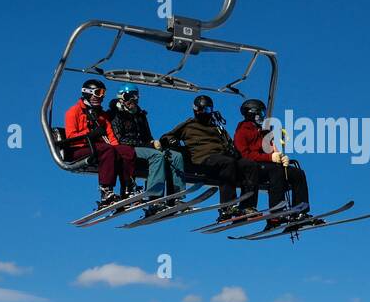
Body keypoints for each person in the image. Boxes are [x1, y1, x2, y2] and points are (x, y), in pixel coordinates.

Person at [162, 95, 260, 221]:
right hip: (204, 159)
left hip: (222, 157)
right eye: (202, 110)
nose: (204, 113)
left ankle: (247, 206)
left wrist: (233, 151)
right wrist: (172, 141)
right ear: (195, 110)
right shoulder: (189, 125)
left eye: (208, 110)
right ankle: (227, 207)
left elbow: (228, 142)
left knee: (250, 165)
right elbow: (167, 136)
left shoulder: (216, 127)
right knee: (227, 163)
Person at [108, 85, 185, 213]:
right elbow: (120, 139)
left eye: (136, 97)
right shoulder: (115, 114)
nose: (133, 100)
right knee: (157, 156)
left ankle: (176, 197)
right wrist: (148, 145)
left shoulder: (140, 115)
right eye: (130, 97)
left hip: (144, 146)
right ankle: (155, 199)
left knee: (176, 156)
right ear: (122, 98)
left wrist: (156, 143)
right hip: (128, 148)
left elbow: (147, 136)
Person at [233, 98, 313, 222]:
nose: (262, 117)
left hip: (266, 164)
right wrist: (270, 158)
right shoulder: (242, 131)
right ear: (252, 113)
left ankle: (300, 211)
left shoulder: (263, 132)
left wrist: (280, 158)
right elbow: (245, 155)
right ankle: (276, 212)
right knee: (276, 171)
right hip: (253, 167)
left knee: (297, 173)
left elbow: (271, 150)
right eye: (260, 114)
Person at [64, 79, 136, 207]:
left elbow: (111, 138)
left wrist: (119, 149)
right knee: (107, 150)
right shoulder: (74, 112)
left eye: (103, 93)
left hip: (98, 147)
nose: (101, 97)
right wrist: (90, 135)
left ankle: (127, 187)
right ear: (87, 93)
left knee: (126, 150)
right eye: (98, 93)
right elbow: (70, 136)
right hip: (78, 148)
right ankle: (106, 191)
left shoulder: (101, 115)